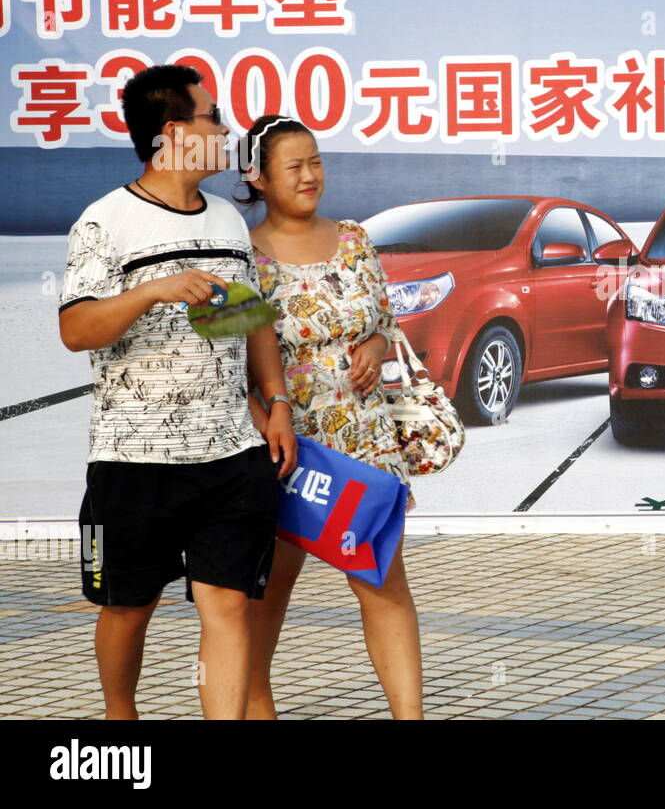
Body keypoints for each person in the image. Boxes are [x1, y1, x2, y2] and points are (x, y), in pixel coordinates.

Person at [57, 64, 297, 720]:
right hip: (133, 463)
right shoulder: (107, 222)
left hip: (230, 454)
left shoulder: (225, 220)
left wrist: (275, 402)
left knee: (227, 607)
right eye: (213, 117)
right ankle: (120, 717)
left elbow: (250, 321)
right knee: (127, 607)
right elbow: (75, 328)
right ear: (174, 132)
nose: (226, 130)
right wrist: (151, 290)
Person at [237, 114, 424, 720]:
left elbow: (384, 321)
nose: (311, 175)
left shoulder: (353, 238)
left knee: (382, 585)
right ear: (258, 178)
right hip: (285, 449)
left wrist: (373, 345)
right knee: (265, 601)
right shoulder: (241, 256)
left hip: (363, 441)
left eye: (316, 161)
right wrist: (264, 417)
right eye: (294, 166)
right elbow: (225, 358)